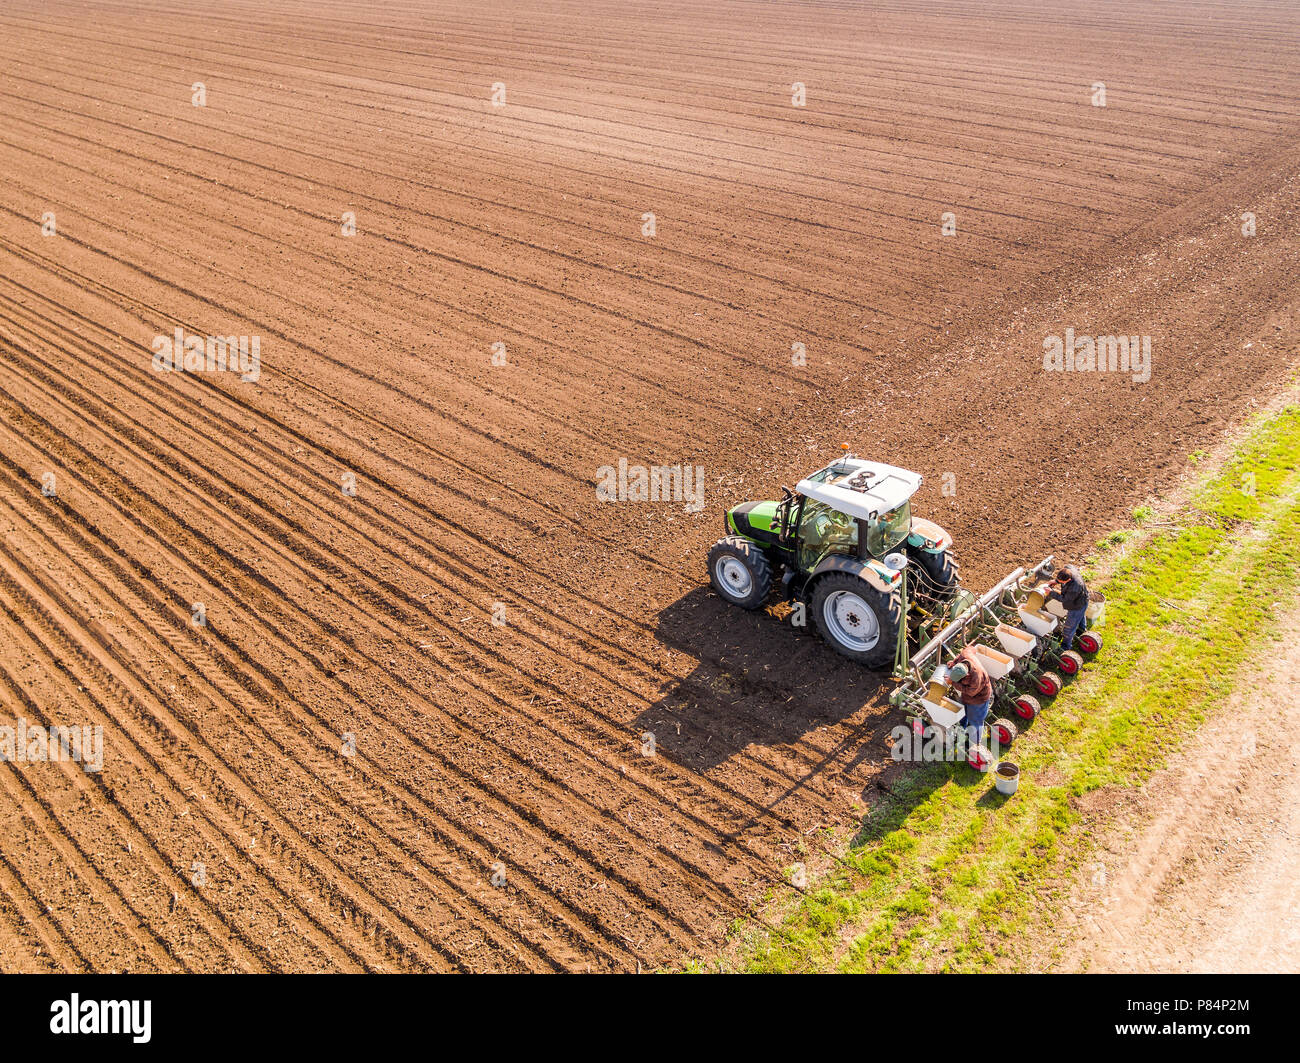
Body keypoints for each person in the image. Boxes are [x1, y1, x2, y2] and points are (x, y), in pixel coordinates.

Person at [948, 645, 993, 747]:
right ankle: (962, 730)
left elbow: (970, 692)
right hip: (967, 696)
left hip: (978, 699)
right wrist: (954, 662)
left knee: (975, 720)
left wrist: (953, 683)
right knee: (963, 713)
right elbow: (971, 648)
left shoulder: (977, 676)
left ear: (967, 675)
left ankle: (974, 744)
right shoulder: (965, 656)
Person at [1045, 565, 1090, 651]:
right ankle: (1081, 631)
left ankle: (1065, 647)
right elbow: (1066, 570)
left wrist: (1051, 593)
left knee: (1068, 628)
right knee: (1080, 617)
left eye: (1061, 581)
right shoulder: (1069, 569)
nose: (1060, 582)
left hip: (1076, 606)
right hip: (1082, 600)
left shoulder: (1075, 588)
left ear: (1069, 580)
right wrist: (1056, 581)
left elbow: (1065, 599)